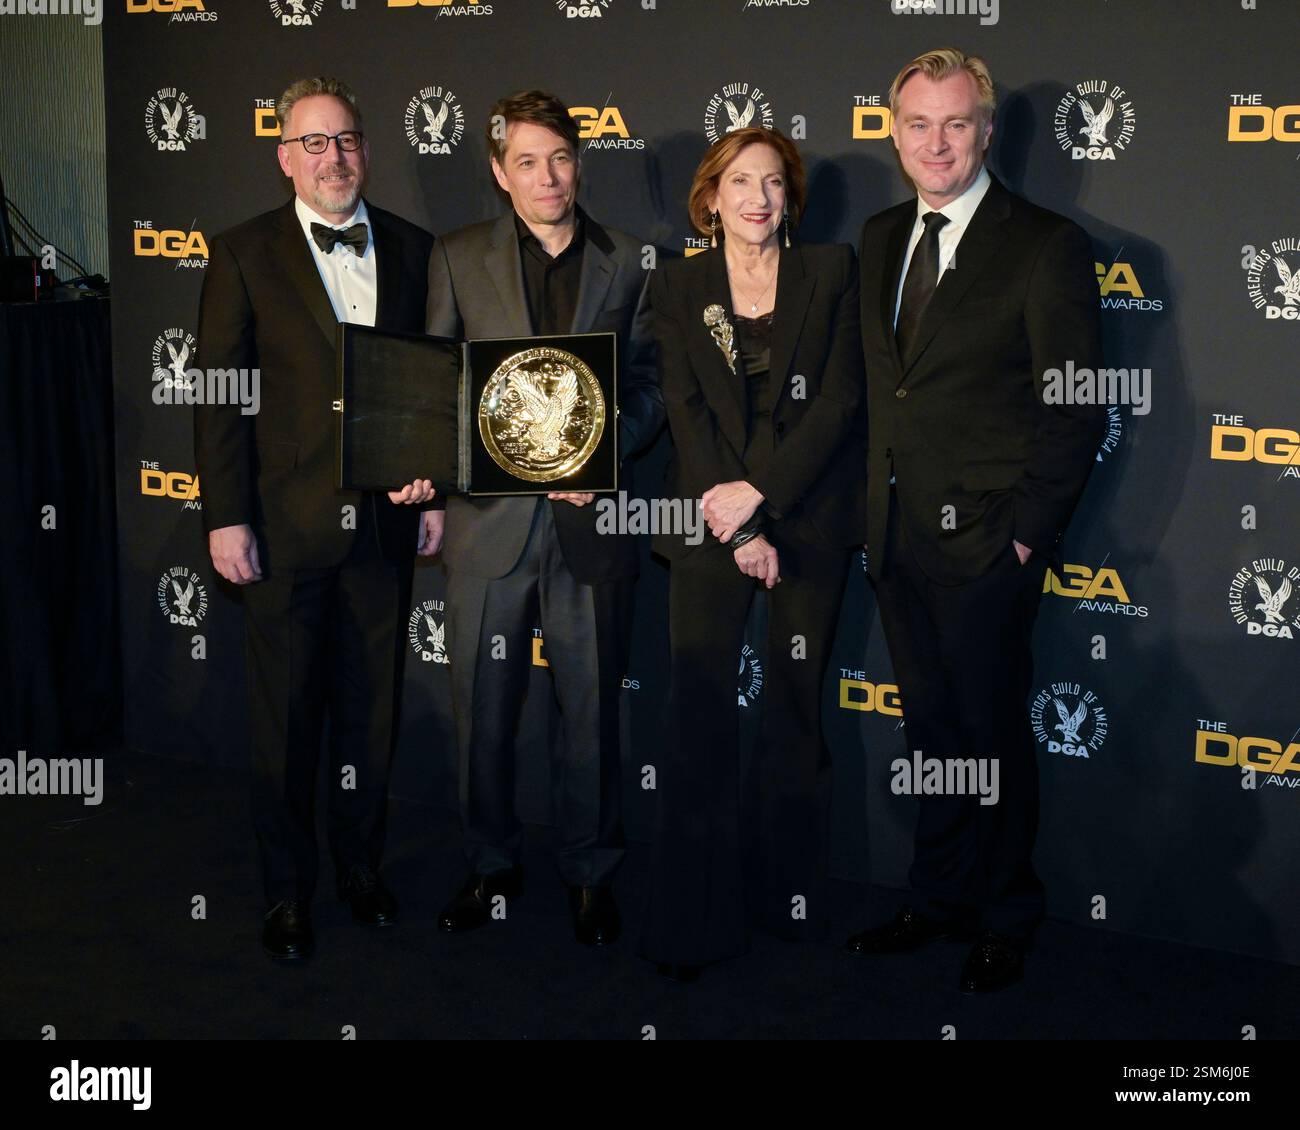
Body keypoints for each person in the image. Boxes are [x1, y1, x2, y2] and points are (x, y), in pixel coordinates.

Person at [848, 49, 1105, 992]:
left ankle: (1006, 911)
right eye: (917, 124)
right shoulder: (879, 238)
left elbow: (1075, 403)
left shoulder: (1044, 243)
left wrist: (1026, 534)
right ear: (893, 131)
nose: (937, 142)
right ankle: (940, 896)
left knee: (990, 735)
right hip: (895, 537)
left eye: (956, 123)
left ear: (987, 131)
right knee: (932, 736)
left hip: (990, 542)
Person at [195, 77, 436, 961]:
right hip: (284, 529)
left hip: (383, 532)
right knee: (288, 725)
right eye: (314, 143)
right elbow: (220, 398)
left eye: (347, 141)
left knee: (371, 719)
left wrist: (434, 488)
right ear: (284, 156)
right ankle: (286, 894)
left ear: (365, 149)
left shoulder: (414, 249)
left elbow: (432, 388)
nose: (333, 158)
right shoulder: (243, 252)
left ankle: (359, 872)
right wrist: (227, 517)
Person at [424, 90, 662, 946]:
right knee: (481, 711)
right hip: (489, 527)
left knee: (594, 715)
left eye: (560, 157)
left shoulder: (632, 259)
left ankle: (593, 871)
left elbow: (649, 384)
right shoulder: (455, 258)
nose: (548, 176)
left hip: (589, 527)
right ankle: (489, 865)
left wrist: (605, 452)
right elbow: (442, 385)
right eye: (527, 161)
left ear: (580, 161)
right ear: (499, 172)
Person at [639, 127, 868, 981]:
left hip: (806, 514)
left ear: (790, 199)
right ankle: (693, 918)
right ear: (711, 195)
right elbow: (687, 411)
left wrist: (764, 498)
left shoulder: (833, 271)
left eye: (774, 183)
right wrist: (736, 525)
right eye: (741, 181)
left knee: (795, 712)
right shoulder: (678, 282)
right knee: (698, 716)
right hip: (710, 514)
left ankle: (789, 905)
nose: (758, 198)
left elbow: (841, 400)